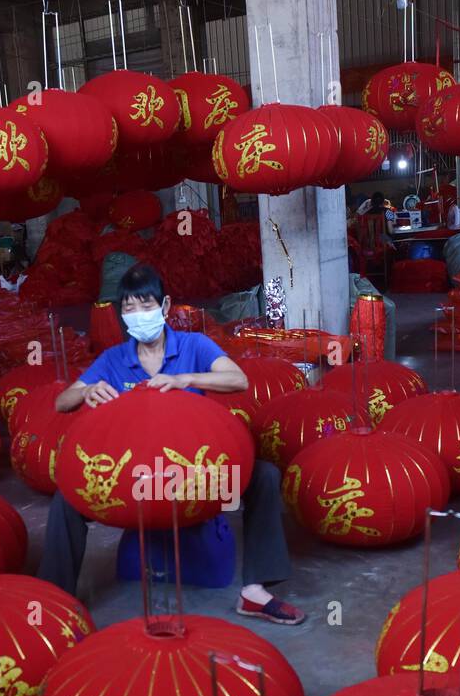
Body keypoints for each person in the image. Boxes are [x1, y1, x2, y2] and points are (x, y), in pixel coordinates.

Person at [39, 263, 307, 625]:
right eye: (129, 308)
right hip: (135, 483)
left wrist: (185, 378)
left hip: (192, 481)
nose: (137, 315)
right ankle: (57, 598)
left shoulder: (193, 346)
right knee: (67, 497)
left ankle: (255, 591)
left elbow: (238, 380)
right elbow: (61, 403)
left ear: (164, 307)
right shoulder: (114, 359)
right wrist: (86, 390)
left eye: (145, 305)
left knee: (263, 476)